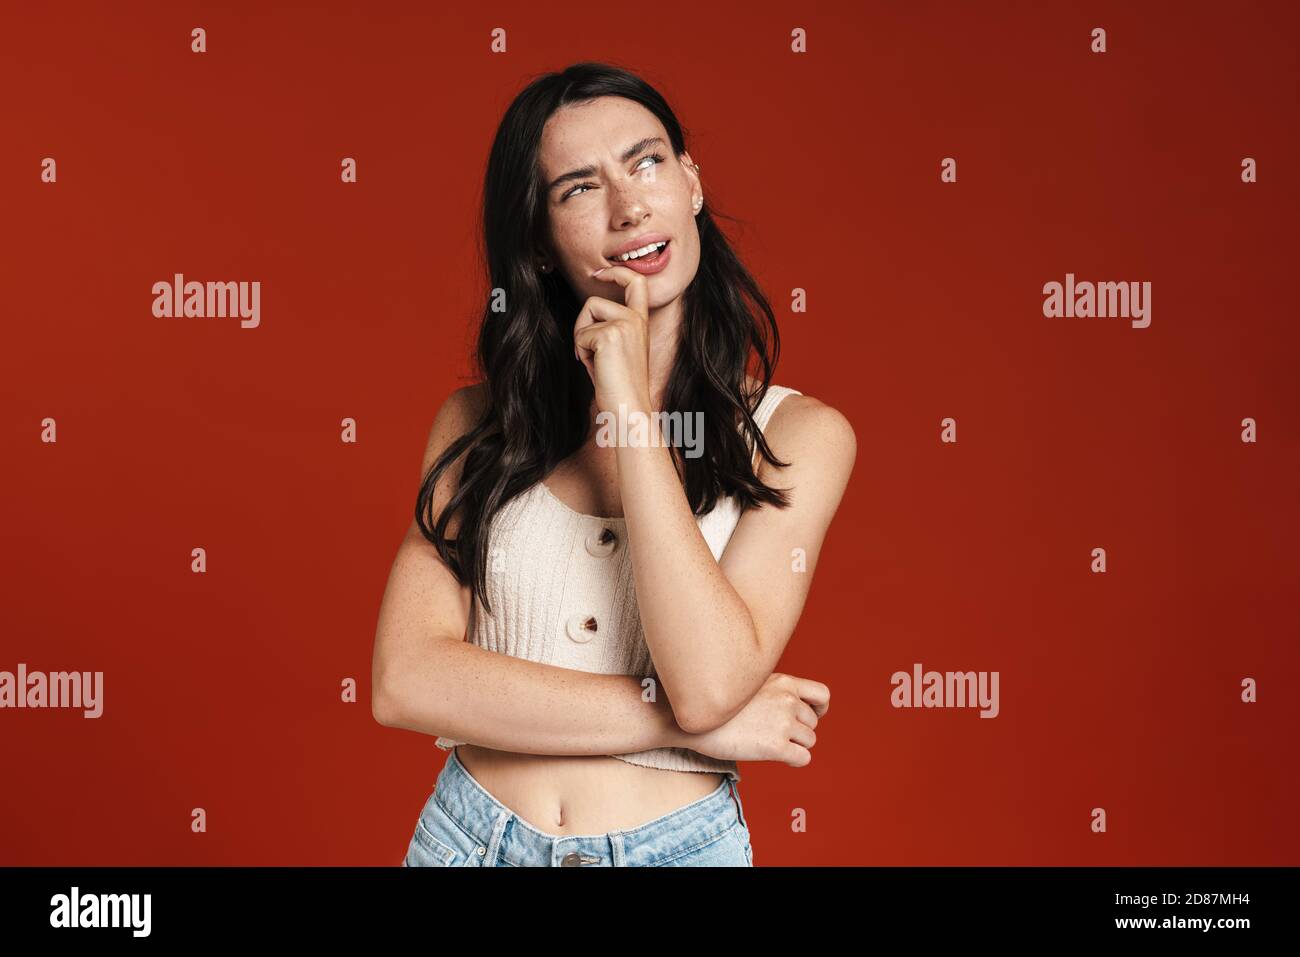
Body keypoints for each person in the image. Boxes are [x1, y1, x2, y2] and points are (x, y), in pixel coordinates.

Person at [372, 62, 855, 867]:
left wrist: (631, 412)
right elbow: (405, 680)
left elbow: (706, 680)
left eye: (648, 162)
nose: (631, 207)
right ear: (540, 238)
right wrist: (681, 725)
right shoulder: (478, 424)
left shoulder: (798, 433)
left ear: (691, 183)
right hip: (467, 840)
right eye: (579, 189)